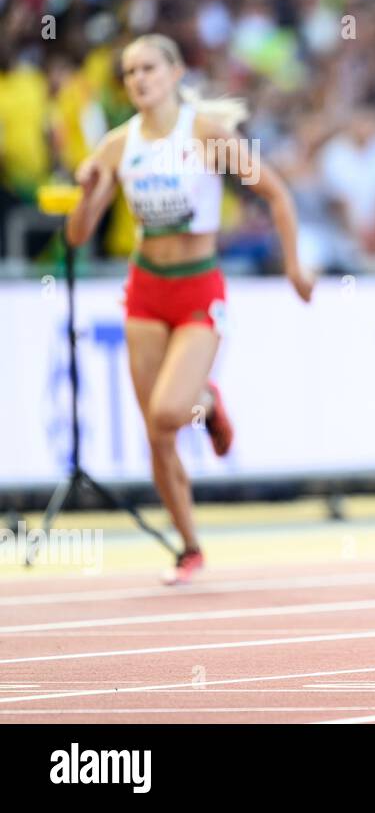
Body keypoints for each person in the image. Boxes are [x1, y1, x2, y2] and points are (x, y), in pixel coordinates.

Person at [65, 34, 313, 585]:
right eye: (129, 73)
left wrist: (294, 267)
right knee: (157, 434)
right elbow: (78, 236)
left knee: (167, 412)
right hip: (146, 290)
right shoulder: (116, 145)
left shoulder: (204, 135)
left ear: (175, 72)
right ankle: (190, 546)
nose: (139, 80)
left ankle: (206, 399)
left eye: (149, 68)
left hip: (199, 289)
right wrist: (86, 194)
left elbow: (277, 195)